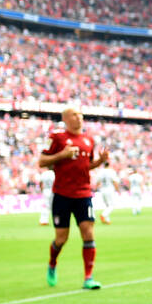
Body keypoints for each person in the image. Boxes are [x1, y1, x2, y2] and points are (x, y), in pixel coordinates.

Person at [39, 106, 110, 290]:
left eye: (80, 115)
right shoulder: (57, 138)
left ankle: (88, 277)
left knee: (88, 233)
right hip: (62, 194)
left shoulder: (89, 140)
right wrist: (62, 155)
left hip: (84, 194)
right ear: (65, 119)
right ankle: (52, 263)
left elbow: (86, 166)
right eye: (74, 115)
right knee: (61, 239)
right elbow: (42, 161)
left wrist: (100, 161)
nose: (78, 118)